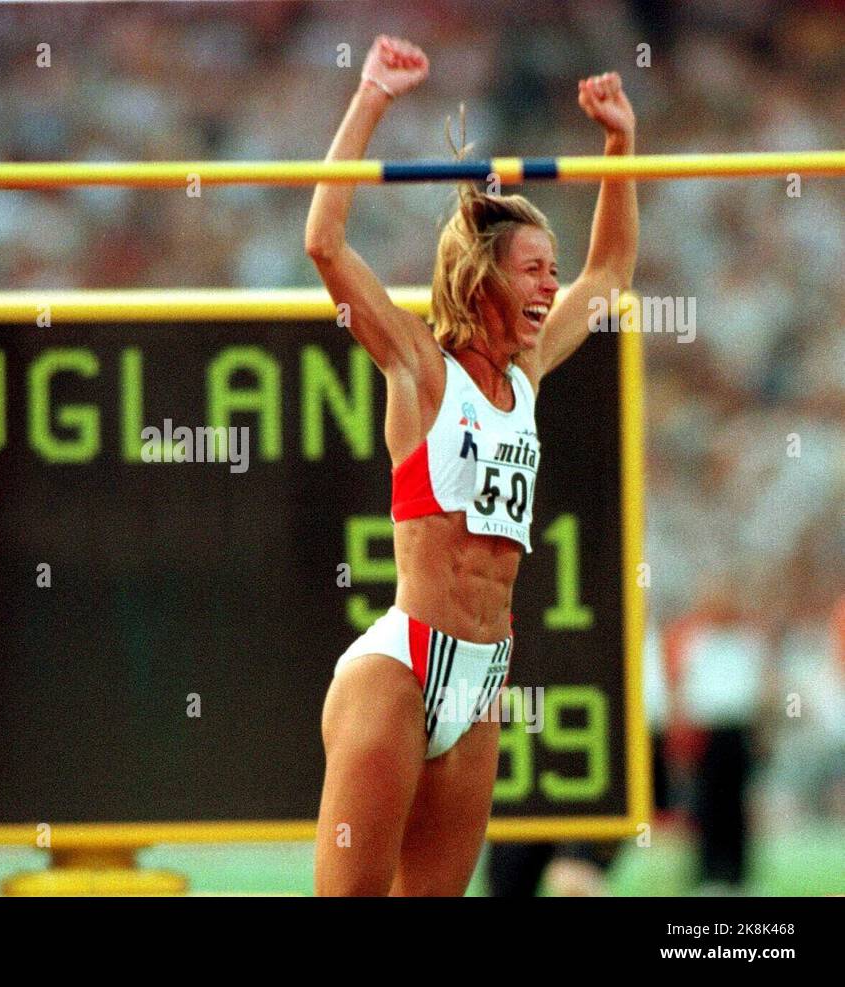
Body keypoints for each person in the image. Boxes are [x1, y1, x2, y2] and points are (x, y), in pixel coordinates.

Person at [305, 35, 638, 896]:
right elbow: (324, 243)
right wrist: (372, 97)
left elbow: (608, 272)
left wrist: (618, 148)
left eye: (548, 274)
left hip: (484, 681)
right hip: (402, 671)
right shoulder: (420, 369)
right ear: (484, 275)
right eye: (533, 271)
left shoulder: (526, 376)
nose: (548, 288)